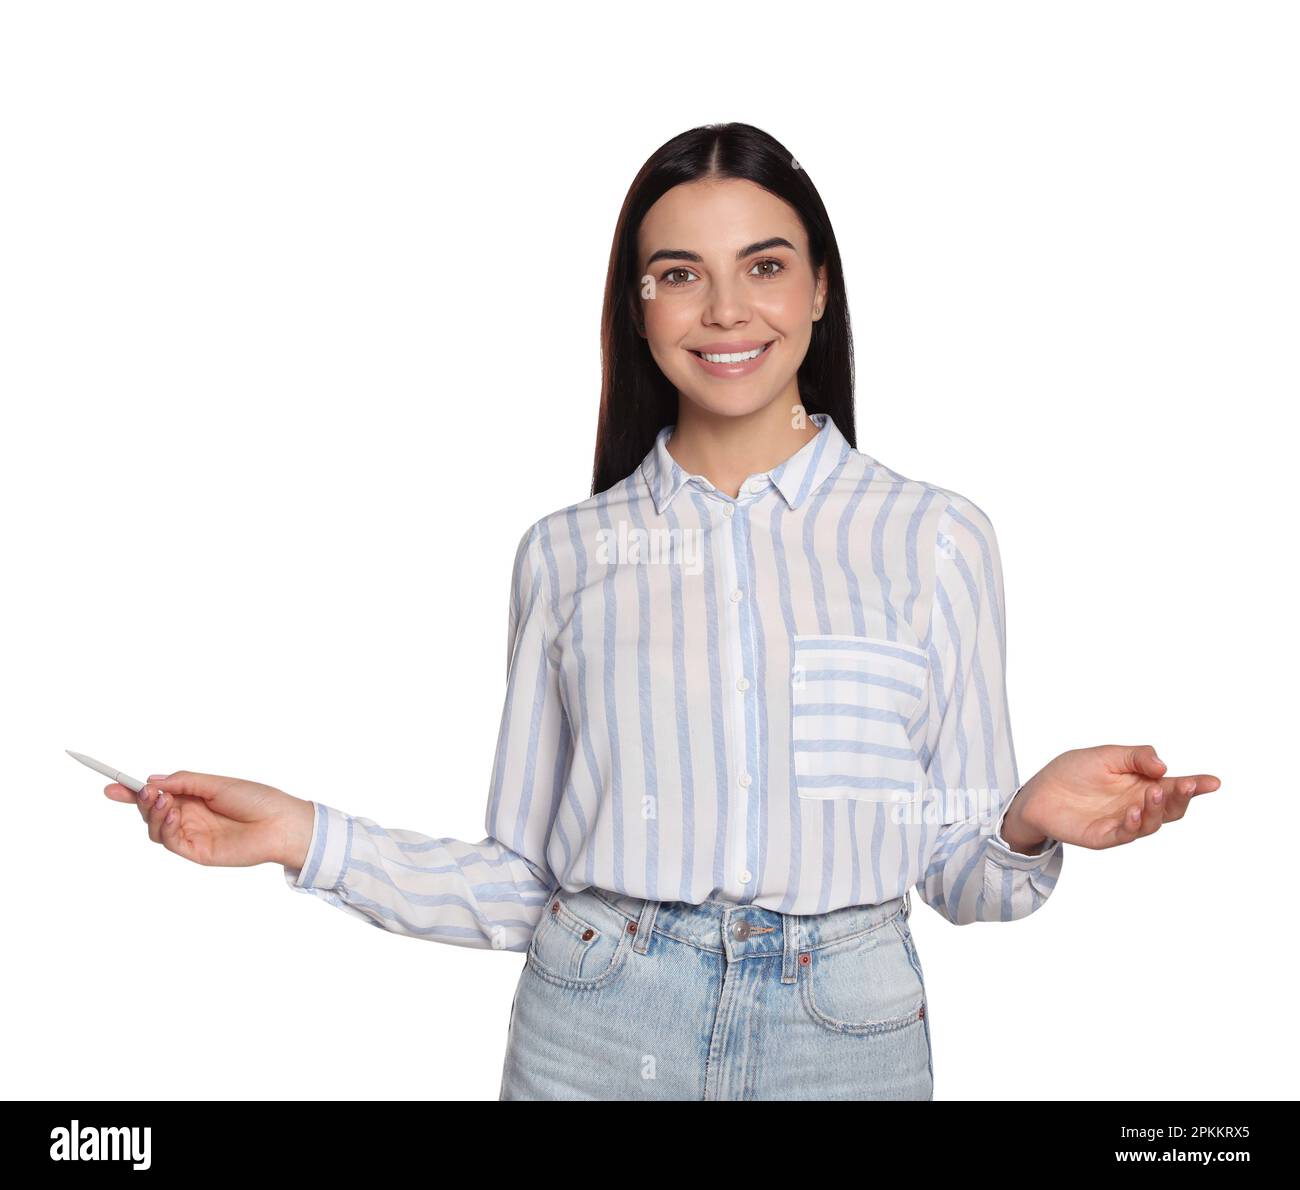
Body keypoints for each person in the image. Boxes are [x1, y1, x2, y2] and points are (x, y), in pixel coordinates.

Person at [104, 122, 1220, 1100]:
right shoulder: (566, 553)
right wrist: (300, 834)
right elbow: (524, 882)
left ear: (820, 287)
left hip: (848, 1034)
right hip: (594, 1018)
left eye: (764, 266)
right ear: (636, 308)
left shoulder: (933, 536)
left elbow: (962, 874)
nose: (726, 308)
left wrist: (1023, 816)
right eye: (678, 273)